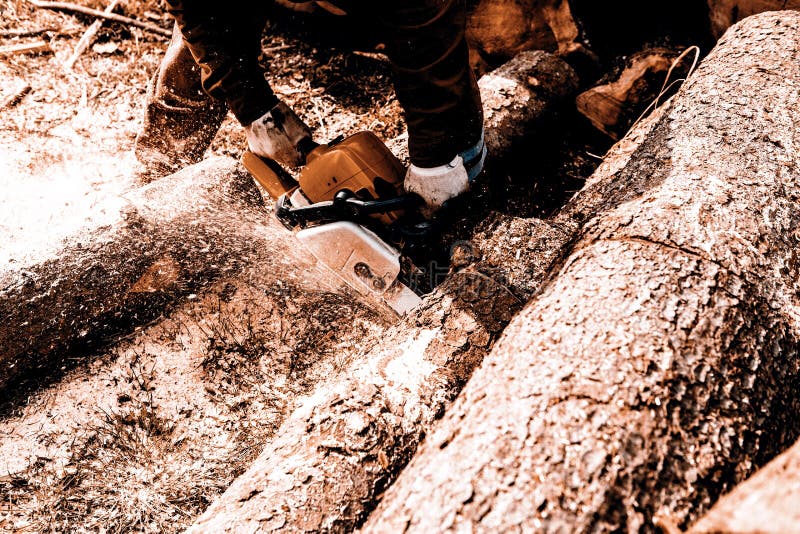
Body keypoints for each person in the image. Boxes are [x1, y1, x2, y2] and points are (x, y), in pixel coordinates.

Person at [135, 0, 486, 215]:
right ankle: (149, 194)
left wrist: (435, 158)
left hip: (383, 12)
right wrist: (253, 107)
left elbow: (427, 33)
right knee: (205, 47)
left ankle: (458, 190)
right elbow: (199, 13)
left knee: (450, 149)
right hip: (280, 9)